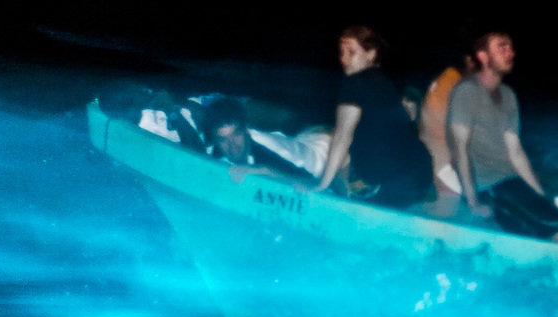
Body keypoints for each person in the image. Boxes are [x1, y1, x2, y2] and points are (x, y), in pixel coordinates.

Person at [447, 29, 558, 242]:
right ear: (483, 56)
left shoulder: (508, 95)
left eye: (510, 47)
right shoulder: (467, 92)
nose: (511, 52)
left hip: (510, 182)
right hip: (491, 186)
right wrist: (473, 202)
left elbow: (515, 152)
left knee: (540, 234)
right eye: (502, 47)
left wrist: (539, 194)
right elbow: (460, 149)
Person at [303, 25, 428, 207]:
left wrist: (322, 184)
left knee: (336, 177)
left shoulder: (354, 84)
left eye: (351, 52)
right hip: (420, 178)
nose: (344, 58)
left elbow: (342, 138)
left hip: (394, 185)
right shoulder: (382, 83)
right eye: (341, 52)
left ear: (371, 54)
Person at [201, 97, 320, 184]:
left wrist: (269, 173)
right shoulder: (215, 146)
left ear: (246, 131)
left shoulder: (268, 150)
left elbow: (314, 182)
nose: (232, 146)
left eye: (236, 134)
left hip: (318, 151)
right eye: (223, 139)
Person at [416, 48, 475, 216]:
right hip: (439, 157)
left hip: (429, 150)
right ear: (469, 61)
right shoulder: (453, 84)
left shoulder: (450, 78)